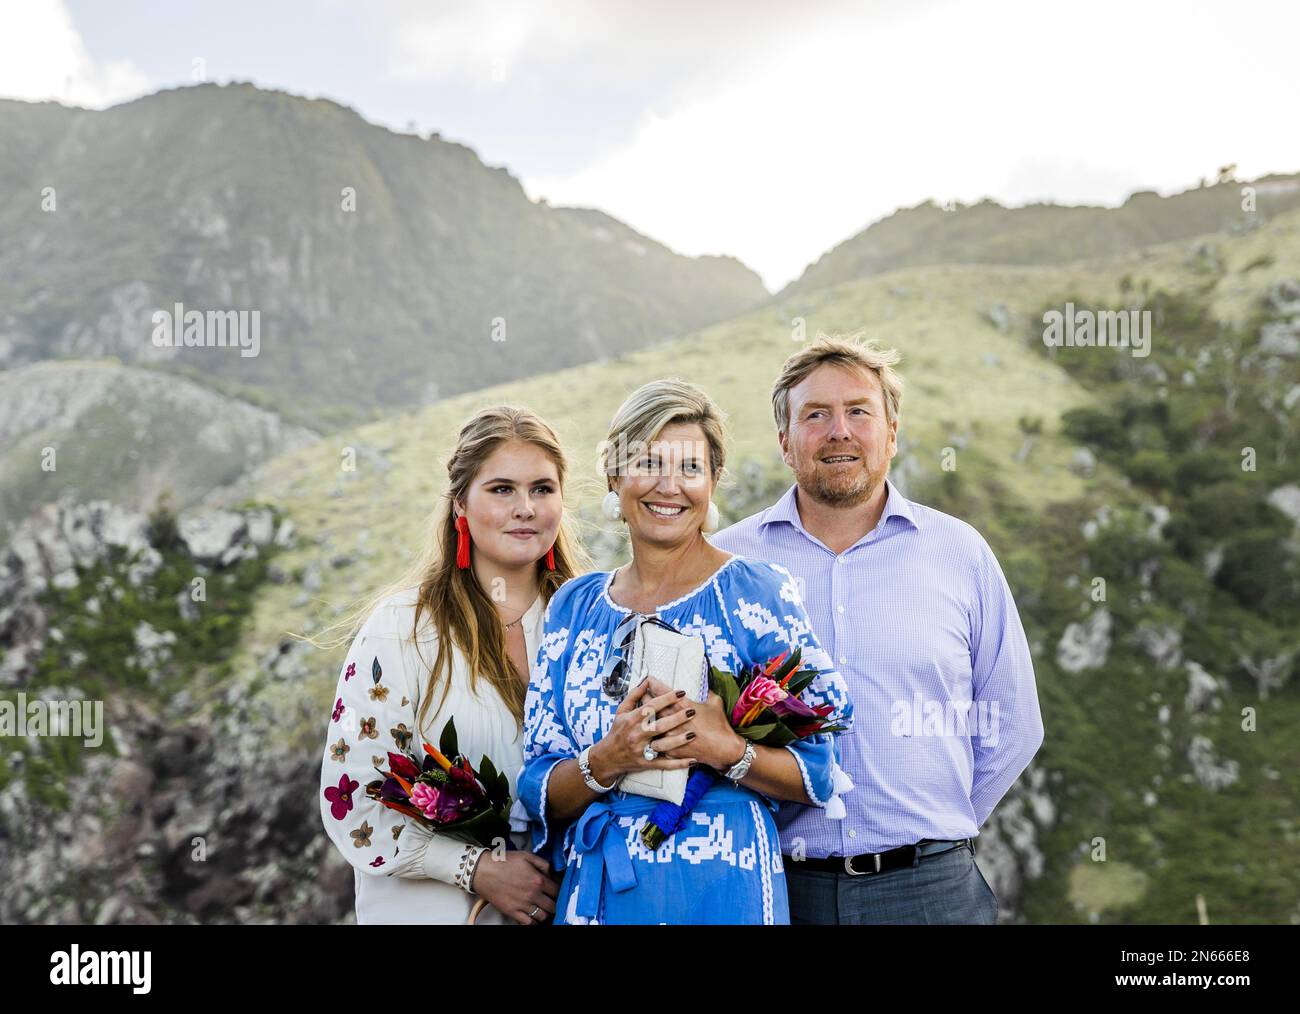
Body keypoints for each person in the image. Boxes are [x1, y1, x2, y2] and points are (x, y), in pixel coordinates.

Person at [710, 334, 1045, 924]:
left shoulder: (960, 553)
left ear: (891, 432)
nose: (839, 430)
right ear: (786, 442)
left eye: (858, 411)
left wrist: (929, 830)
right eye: (816, 415)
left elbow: (1011, 724)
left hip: (931, 893)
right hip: (780, 893)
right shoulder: (727, 566)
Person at [518, 378, 854, 924]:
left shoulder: (756, 592)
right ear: (615, 476)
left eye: (690, 469)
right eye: (648, 463)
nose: (669, 487)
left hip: (722, 890)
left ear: (713, 481)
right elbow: (538, 787)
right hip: (597, 891)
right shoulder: (573, 607)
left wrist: (727, 749)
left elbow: (818, 772)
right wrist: (607, 761)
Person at [317, 406, 589, 924]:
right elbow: (350, 797)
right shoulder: (404, 628)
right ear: (460, 504)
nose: (525, 508)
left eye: (542, 489)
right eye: (502, 489)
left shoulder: (589, 625)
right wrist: (474, 867)